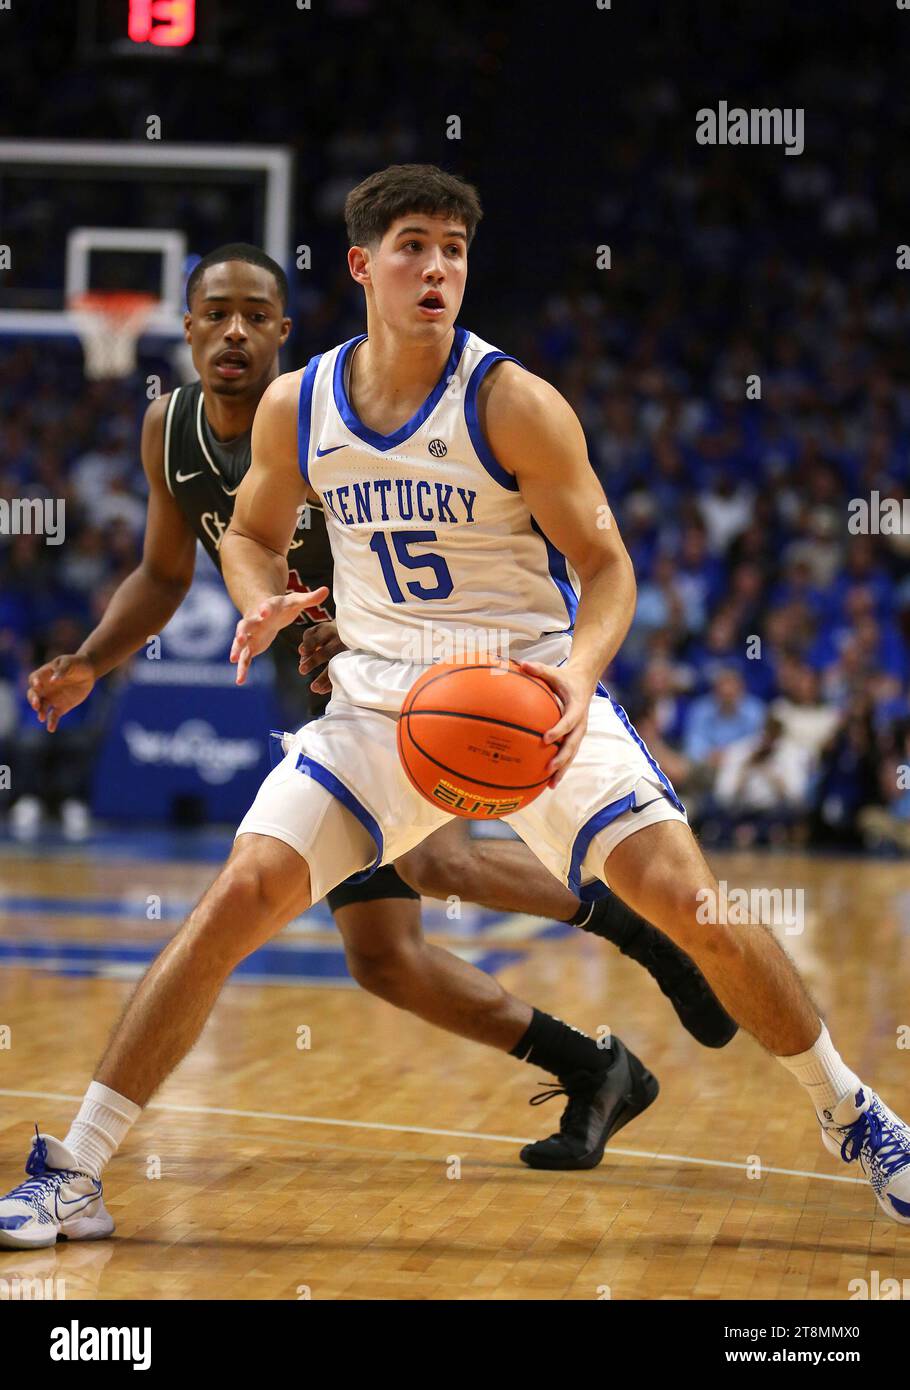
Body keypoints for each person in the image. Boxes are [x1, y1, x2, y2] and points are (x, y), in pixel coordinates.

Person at [4, 163, 905, 1251]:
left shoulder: (512, 401)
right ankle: (77, 1169)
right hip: (381, 698)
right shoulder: (302, 403)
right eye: (413, 246)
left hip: (525, 688)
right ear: (361, 265)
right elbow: (243, 534)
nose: (437, 267)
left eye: (454, 250)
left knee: (695, 905)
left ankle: (856, 1116)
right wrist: (264, 602)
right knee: (234, 901)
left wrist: (575, 678)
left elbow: (609, 567)